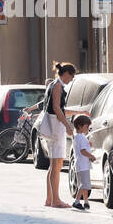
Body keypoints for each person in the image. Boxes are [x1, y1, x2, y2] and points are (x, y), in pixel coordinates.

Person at [41, 60, 76, 207]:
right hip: (56, 126)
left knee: (53, 165)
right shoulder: (57, 86)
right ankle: (55, 200)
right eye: (72, 76)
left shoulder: (52, 84)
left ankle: (50, 199)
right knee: (57, 164)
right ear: (66, 74)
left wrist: (78, 112)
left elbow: (58, 108)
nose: (72, 79)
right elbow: (56, 108)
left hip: (53, 125)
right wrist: (67, 125)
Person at [71, 114, 96, 210]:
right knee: (83, 185)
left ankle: (86, 201)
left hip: (80, 165)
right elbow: (83, 151)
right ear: (80, 126)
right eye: (86, 127)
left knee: (84, 184)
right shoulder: (81, 137)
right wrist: (91, 156)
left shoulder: (78, 136)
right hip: (83, 165)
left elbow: (82, 147)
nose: (87, 129)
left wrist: (88, 144)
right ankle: (77, 201)